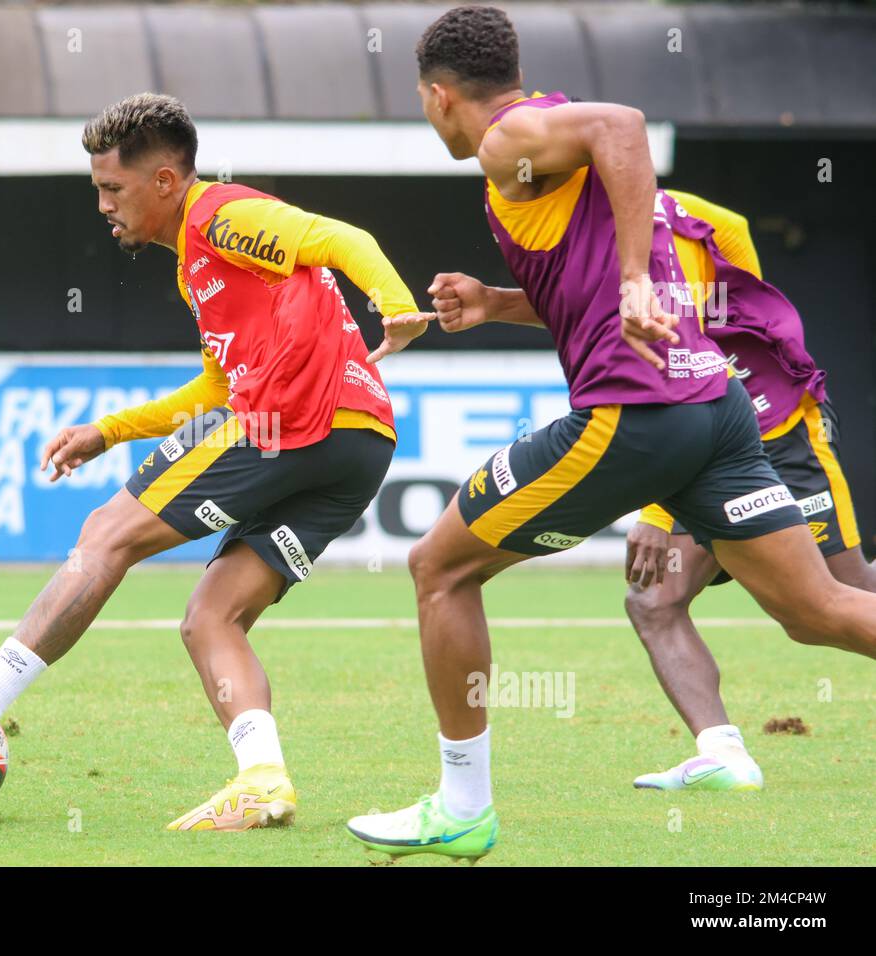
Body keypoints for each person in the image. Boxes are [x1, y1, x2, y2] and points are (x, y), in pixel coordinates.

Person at [347, 4, 876, 862]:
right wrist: (493, 304)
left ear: (440, 96)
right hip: (716, 409)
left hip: (637, 416)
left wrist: (637, 281)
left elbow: (621, 123)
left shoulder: (506, 140)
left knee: (438, 567)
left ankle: (461, 806)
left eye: (422, 101)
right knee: (819, 609)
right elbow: (580, 288)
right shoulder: (540, 146)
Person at [0, 93, 432, 831]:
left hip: (286, 421)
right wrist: (111, 430)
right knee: (210, 616)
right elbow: (218, 386)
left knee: (105, 534)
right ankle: (263, 778)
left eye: (111, 188)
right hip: (359, 444)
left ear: (163, 181)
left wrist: (394, 301)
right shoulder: (200, 268)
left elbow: (337, 236)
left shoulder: (221, 214)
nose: (102, 204)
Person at [428, 188, 875, 793]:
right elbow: (602, 310)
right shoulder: (589, 214)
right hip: (711, 430)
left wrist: (657, 513)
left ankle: (462, 797)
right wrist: (496, 301)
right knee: (656, 601)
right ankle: (723, 754)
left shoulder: (656, 217)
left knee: (834, 600)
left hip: (770, 428)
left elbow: (677, 340)